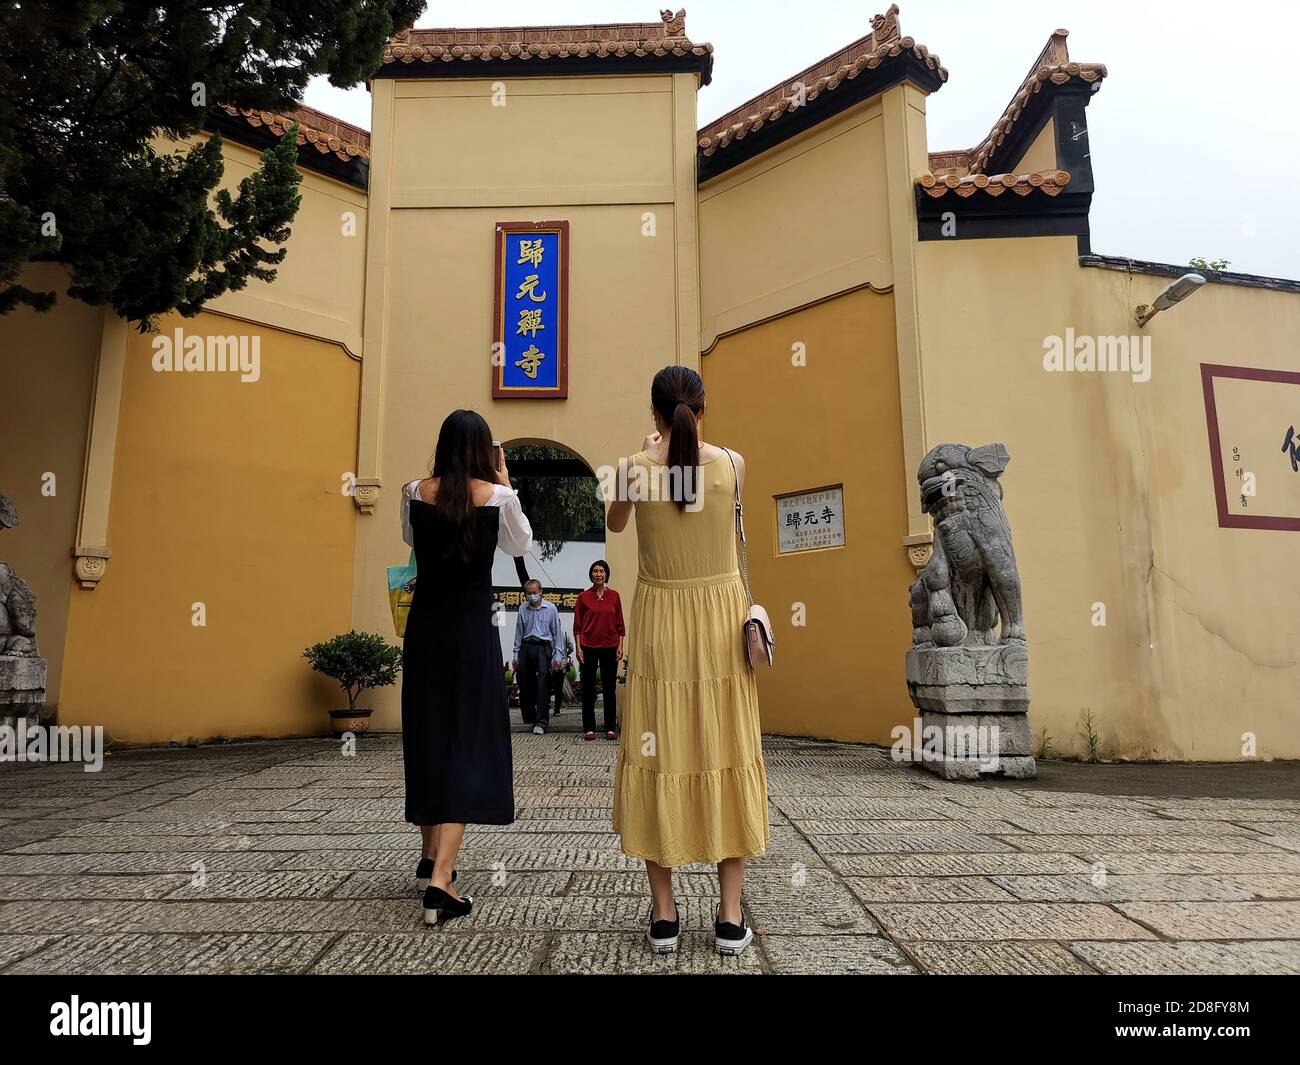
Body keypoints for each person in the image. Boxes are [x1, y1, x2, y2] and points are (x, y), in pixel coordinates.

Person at [606, 365, 768, 957]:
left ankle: (665, 917)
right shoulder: (733, 464)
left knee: (658, 749)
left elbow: (614, 521)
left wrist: (640, 456)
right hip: (720, 623)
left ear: (654, 413)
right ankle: (729, 919)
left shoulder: (632, 470)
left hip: (660, 626)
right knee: (725, 749)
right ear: (703, 408)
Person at [400, 410, 532, 925]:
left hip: (426, 628)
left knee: (430, 733)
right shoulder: (497, 498)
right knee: (468, 741)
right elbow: (520, 546)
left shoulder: (413, 491)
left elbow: (413, 543)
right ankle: (442, 881)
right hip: (473, 634)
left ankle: (430, 854)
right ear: (484, 450)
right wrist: (504, 484)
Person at [574, 559, 625, 741]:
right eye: (595, 571)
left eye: (601, 571)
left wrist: (620, 646)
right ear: (591, 574)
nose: (598, 574)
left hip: (610, 646)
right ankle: (589, 728)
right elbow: (577, 626)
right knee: (588, 689)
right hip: (588, 647)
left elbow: (620, 625)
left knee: (609, 688)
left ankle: (610, 727)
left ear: (606, 575)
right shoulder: (583, 597)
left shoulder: (615, 596)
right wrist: (578, 648)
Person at [511, 578, 565, 735]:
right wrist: (516, 654)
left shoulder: (551, 608)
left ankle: (541, 722)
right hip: (526, 646)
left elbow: (557, 634)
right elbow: (518, 632)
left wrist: (558, 656)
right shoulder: (523, 609)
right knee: (523, 680)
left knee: (543, 683)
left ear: (540, 592)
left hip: (543, 647)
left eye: (534, 593)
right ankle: (529, 715)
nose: (532, 596)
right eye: (528, 594)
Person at [548, 630, 574, 717]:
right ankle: (557, 709)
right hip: (562, 663)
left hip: (550, 663)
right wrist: (566, 654)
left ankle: (546, 706)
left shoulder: (548, 634)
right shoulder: (565, 634)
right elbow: (571, 648)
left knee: (548, 686)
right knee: (559, 687)